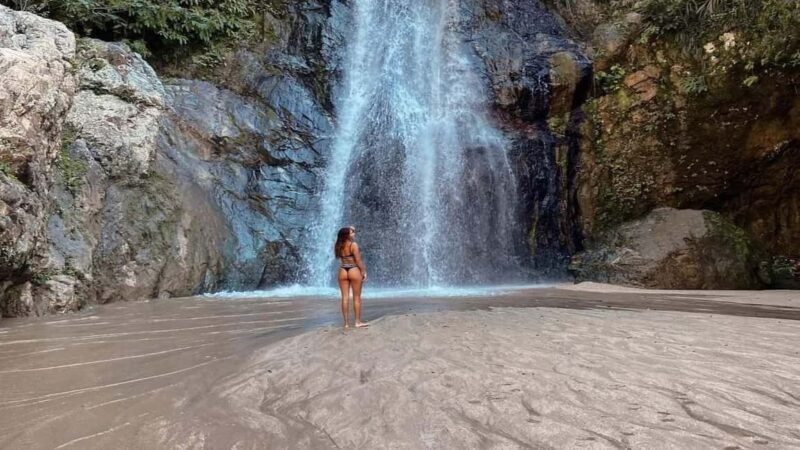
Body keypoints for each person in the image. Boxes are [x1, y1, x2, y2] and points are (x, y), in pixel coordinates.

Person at [335, 226, 368, 328]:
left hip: (343, 270)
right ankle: (357, 322)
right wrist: (363, 271)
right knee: (356, 297)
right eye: (352, 232)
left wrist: (350, 227)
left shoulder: (338, 245)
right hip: (353, 269)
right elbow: (358, 261)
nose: (354, 233)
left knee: (344, 297)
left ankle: (345, 323)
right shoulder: (353, 245)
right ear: (347, 235)